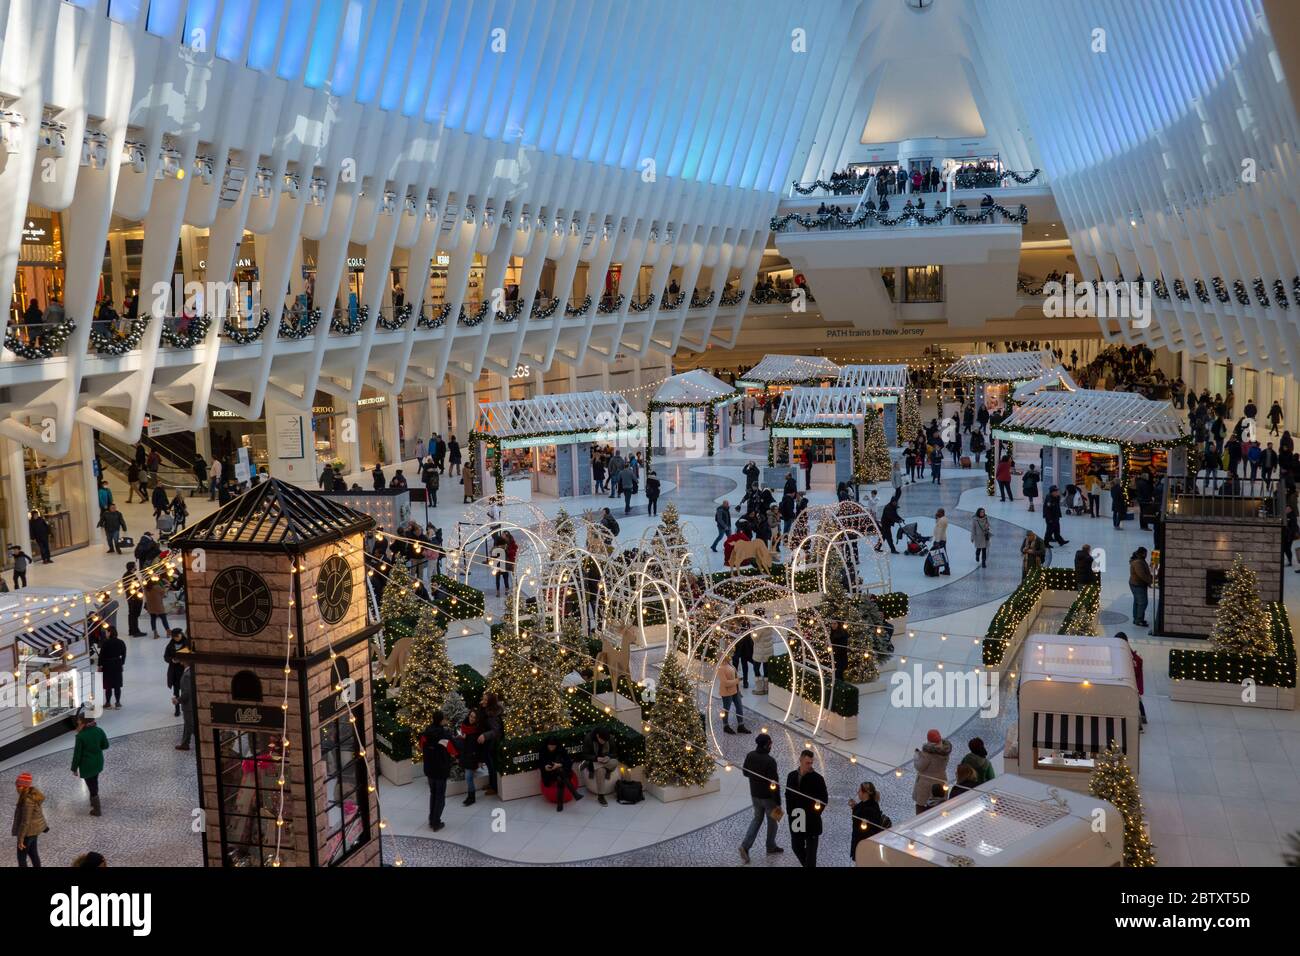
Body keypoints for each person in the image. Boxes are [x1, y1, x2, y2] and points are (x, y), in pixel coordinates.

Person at [738, 733, 783, 863]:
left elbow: (745, 772)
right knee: (773, 821)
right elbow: (774, 783)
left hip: (755, 794)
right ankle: (771, 846)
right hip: (768, 797)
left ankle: (745, 846)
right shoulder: (770, 761)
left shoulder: (750, 755)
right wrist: (778, 802)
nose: (771, 746)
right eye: (770, 744)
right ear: (766, 745)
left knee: (757, 819)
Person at [784, 749, 828, 868]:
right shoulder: (791, 776)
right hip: (796, 817)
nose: (810, 765)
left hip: (811, 820)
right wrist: (790, 812)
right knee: (796, 846)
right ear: (801, 760)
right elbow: (787, 795)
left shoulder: (818, 779)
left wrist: (815, 812)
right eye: (807, 763)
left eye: (811, 763)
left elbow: (824, 799)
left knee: (811, 854)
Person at [420, 711, 454, 830]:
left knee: (433, 794)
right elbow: (453, 751)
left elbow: (421, 747)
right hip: (441, 770)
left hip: (429, 769)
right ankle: (436, 822)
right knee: (440, 797)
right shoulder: (444, 736)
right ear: (441, 720)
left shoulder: (425, 734)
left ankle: (431, 819)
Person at [70, 716, 110, 816]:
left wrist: (74, 768)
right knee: (94, 781)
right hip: (98, 762)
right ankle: (93, 801)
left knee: (91, 785)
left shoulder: (81, 736)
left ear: (83, 723)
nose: (78, 724)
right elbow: (106, 745)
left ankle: (97, 809)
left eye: (79, 723)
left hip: (87, 765)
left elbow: (77, 754)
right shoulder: (99, 730)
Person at [912, 729, 952, 814]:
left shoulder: (927, 754)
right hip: (941, 779)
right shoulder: (945, 751)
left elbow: (920, 767)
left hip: (926, 783)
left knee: (921, 805)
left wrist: (917, 756)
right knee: (939, 804)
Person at [539, 736, 582, 812]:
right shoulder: (543, 751)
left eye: (553, 746)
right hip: (549, 774)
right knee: (560, 774)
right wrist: (545, 767)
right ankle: (575, 793)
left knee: (559, 778)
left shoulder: (560, 749)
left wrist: (559, 764)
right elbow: (540, 763)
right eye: (550, 745)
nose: (551, 747)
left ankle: (560, 803)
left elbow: (568, 762)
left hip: (563, 771)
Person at [12, 772, 46, 868]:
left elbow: (25, 821)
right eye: (17, 785)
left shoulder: (27, 800)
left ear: (25, 786)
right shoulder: (32, 795)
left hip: (28, 833)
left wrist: (20, 839)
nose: (17, 788)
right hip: (33, 831)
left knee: (21, 859)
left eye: (19, 786)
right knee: (33, 854)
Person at [1116, 631, 1148, 728]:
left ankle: (1139, 724)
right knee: (1136, 701)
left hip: (1129, 682)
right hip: (1132, 682)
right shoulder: (1129, 652)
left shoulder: (1125, 653)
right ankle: (1142, 717)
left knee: (1134, 701)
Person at [580, 726, 619, 806]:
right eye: (602, 740)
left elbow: (615, 754)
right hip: (593, 761)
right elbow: (584, 755)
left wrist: (608, 757)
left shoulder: (610, 738)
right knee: (601, 770)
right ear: (597, 736)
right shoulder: (589, 738)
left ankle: (598, 765)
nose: (604, 742)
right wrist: (596, 758)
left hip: (605, 761)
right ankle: (601, 796)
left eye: (605, 741)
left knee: (615, 762)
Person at [849, 781, 887, 862]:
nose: (857, 792)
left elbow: (861, 821)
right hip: (860, 842)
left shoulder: (870, 808)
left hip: (864, 844)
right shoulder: (865, 803)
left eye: (859, 791)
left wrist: (855, 809)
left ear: (866, 793)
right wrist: (854, 807)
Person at [477, 693, 505, 796]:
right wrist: (481, 706)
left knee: (492, 765)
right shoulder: (486, 709)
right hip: (488, 742)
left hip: (492, 743)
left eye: (485, 700)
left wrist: (484, 735)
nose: (483, 701)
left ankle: (494, 787)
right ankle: (491, 783)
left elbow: (496, 731)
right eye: (483, 699)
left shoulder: (493, 714)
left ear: (491, 702)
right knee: (489, 764)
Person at [717, 658, 750, 734]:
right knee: (726, 709)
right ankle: (726, 726)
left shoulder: (729, 664)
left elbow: (734, 675)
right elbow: (725, 683)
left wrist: (738, 688)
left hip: (735, 690)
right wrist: (737, 680)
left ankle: (741, 725)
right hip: (727, 692)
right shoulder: (721, 668)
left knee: (739, 707)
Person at [98, 625, 127, 708]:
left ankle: (108, 703)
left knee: (108, 686)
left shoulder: (105, 643)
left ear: (110, 632)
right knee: (117, 685)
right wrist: (122, 663)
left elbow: (101, 656)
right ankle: (117, 702)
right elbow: (124, 654)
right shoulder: (121, 642)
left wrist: (100, 666)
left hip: (107, 665)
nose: (106, 634)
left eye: (106, 632)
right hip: (117, 664)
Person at [164, 629, 189, 717]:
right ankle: (177, 709)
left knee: (185, 691)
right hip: (174, 672)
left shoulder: (187, 643)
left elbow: (190, 654)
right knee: (176, 691)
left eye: (177, 636)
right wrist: (172, 660)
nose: (176, 638)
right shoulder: (170, 645)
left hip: (184, 670)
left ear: (181, 635)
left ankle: (186, 708)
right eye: (174, 637)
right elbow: (166, 657)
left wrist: (181, 659)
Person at [174, 657, 195, 750]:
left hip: (188, 706)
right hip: (190, 705)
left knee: (190, 726)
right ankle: (185, 743)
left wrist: (178, 700)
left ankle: (206, 742)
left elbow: (186, 693)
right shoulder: (190, 671)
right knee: (187, 725)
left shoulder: (187, 675)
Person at [1129, 547, 1153, 627]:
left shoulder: (1139, 560)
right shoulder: (1138, 562)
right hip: (1137, 585)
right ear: (1142, 553)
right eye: (1146, 553)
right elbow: (1142, 575)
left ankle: (1136, 619)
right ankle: (1139, 620)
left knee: (1137, 602)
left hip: (1137, 584)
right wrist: (1150, 581)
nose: (1146, 555)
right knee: (1143, 603)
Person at [122, 563, 146, 637]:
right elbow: (132, 588)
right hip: (135, 599)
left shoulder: (126, 575)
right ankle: (135, 631)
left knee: (132, 615)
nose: (136, 567)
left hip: (132, 598)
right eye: (135, 566)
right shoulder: (130, 576)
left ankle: (132, 630)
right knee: (134, 615)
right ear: (132, 568)